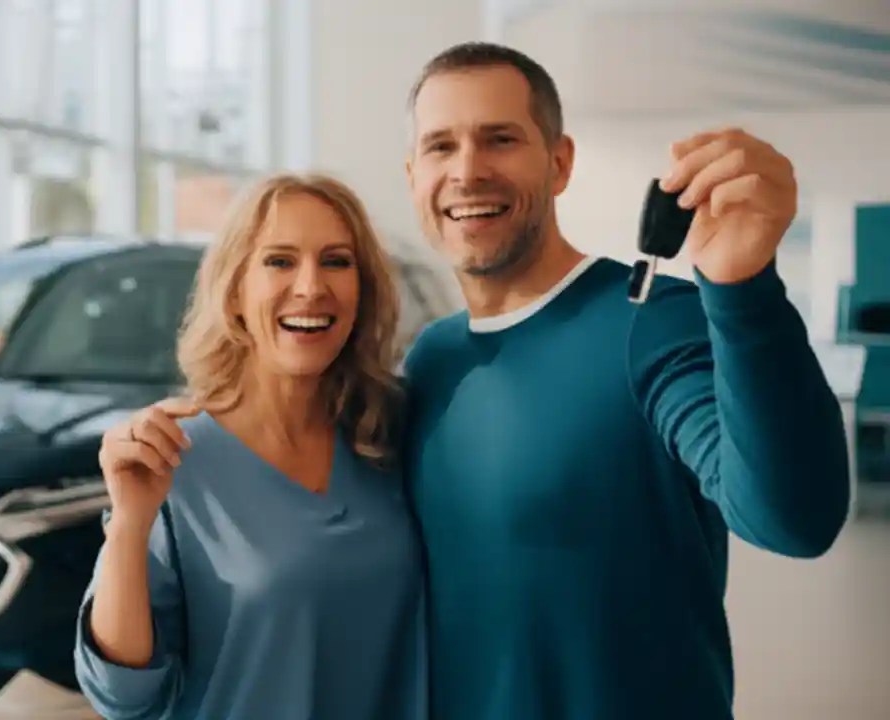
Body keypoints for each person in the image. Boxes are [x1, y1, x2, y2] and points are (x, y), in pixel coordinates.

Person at [400, 43, 849, 719]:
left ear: (559, 163)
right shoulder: (431, 359)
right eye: (441, 146)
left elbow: (793, 520)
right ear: (414, 175)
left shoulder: (653, 323)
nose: (467, 170)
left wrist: (743, 289)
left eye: (500, 139)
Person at [73, 173, 426, 720]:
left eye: (336, 261)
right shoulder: (173, 457)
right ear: (235, 290)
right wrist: (128, 522)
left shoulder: (391, 437)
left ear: (363, 290)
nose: (311, 286)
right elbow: (123, 695)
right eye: (279, 261)